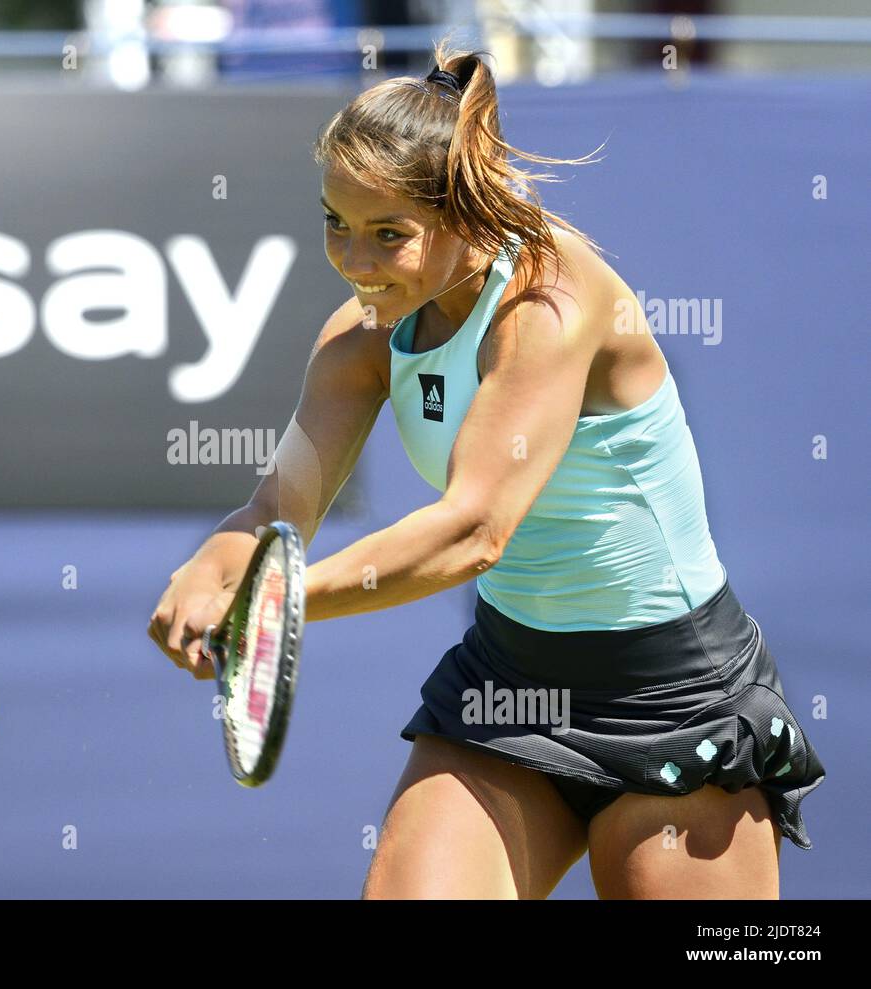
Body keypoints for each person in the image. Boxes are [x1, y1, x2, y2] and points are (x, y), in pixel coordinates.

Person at [146, 39, 825, 899]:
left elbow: (475, 530)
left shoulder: (551, 302)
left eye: (388, 235)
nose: (355, 263)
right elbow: (279, 504)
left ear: (465, 214)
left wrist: (273, 607)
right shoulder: (360, 340)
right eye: (335, 224)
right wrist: (212, 568)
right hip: (509, 685)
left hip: (673, 695)